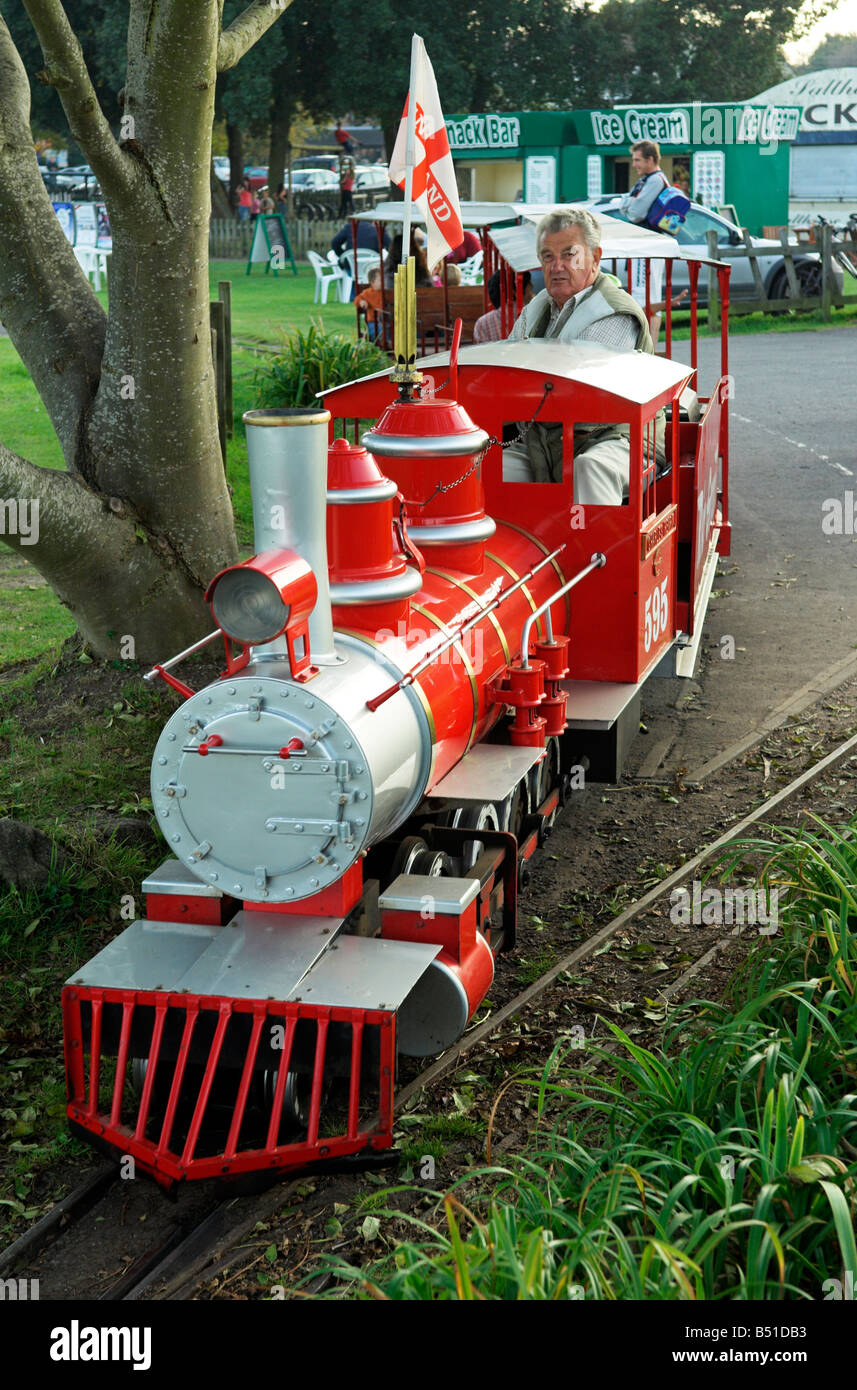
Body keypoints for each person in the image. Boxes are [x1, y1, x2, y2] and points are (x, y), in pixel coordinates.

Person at [504, 208, 656, 504]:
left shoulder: (614, 312)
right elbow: (509, 367)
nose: (557, 266)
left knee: (590, 469)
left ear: (595, 258)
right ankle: (497, 551)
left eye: (569, 255)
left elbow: (584, 394)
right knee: (485, 467)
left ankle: (598, 550)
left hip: (616, 436)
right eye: (548, 256)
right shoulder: (539, 306)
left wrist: (520, 395)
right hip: (548, 438)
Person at [619, 140, 672, 346]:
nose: (634, 164)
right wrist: (629, 203)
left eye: (637, 160)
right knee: (640, 299)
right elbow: (628, 203)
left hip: (649, 249)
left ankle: (648, 350)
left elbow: (634, 212)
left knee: (647, 300)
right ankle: (643, 348)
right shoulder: (645, 180)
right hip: (642, 248)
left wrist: (629, 203)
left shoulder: (656, 180)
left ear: (651, 159)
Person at [474, 270, 532, 343]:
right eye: (530, 289)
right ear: (516, 292)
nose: (532, 293)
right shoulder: (532, 315)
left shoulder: (482, 323)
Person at [356, 266, 385, 341]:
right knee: (376, 332)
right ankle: (379, 344)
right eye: (381, 280)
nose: (384, 282)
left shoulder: (386, 292)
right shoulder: (367, 293)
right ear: (372, 282)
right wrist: (361, 302)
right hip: (373, 321)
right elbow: (357, 299)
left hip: (386, 321)